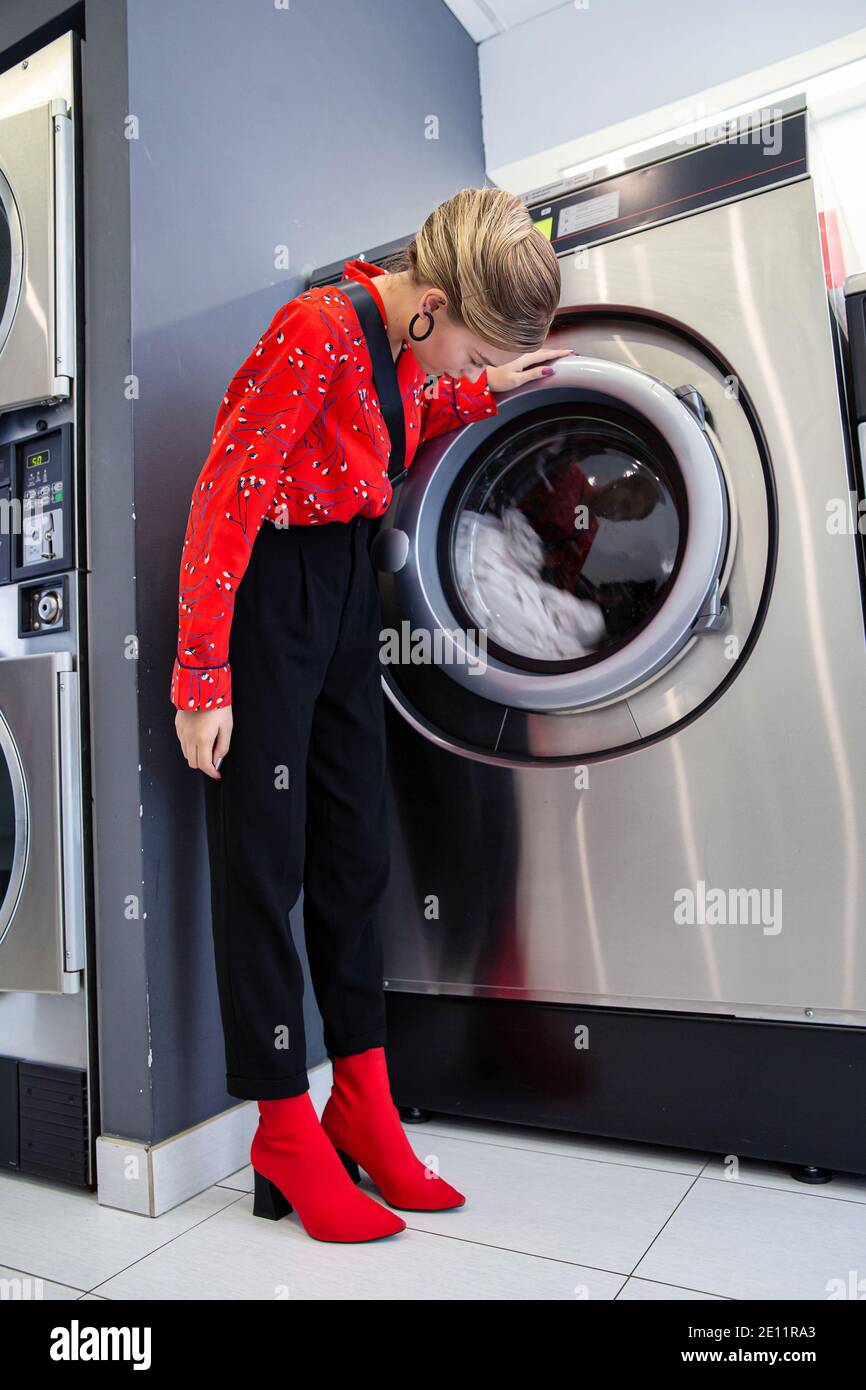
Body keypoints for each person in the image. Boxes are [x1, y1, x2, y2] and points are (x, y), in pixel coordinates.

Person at [171, 187, 564, 1243]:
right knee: (264, 858)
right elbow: (226, 494)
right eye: (468, 344)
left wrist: (484, 391)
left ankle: (363, 1098)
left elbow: (395, 421)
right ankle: (283, 1127)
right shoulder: (314, 331)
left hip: (345, 580)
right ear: (431, 304)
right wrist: (202, 676)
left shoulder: (400, 348)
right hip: (272, 591)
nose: (460, 363)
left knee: (355, 852)